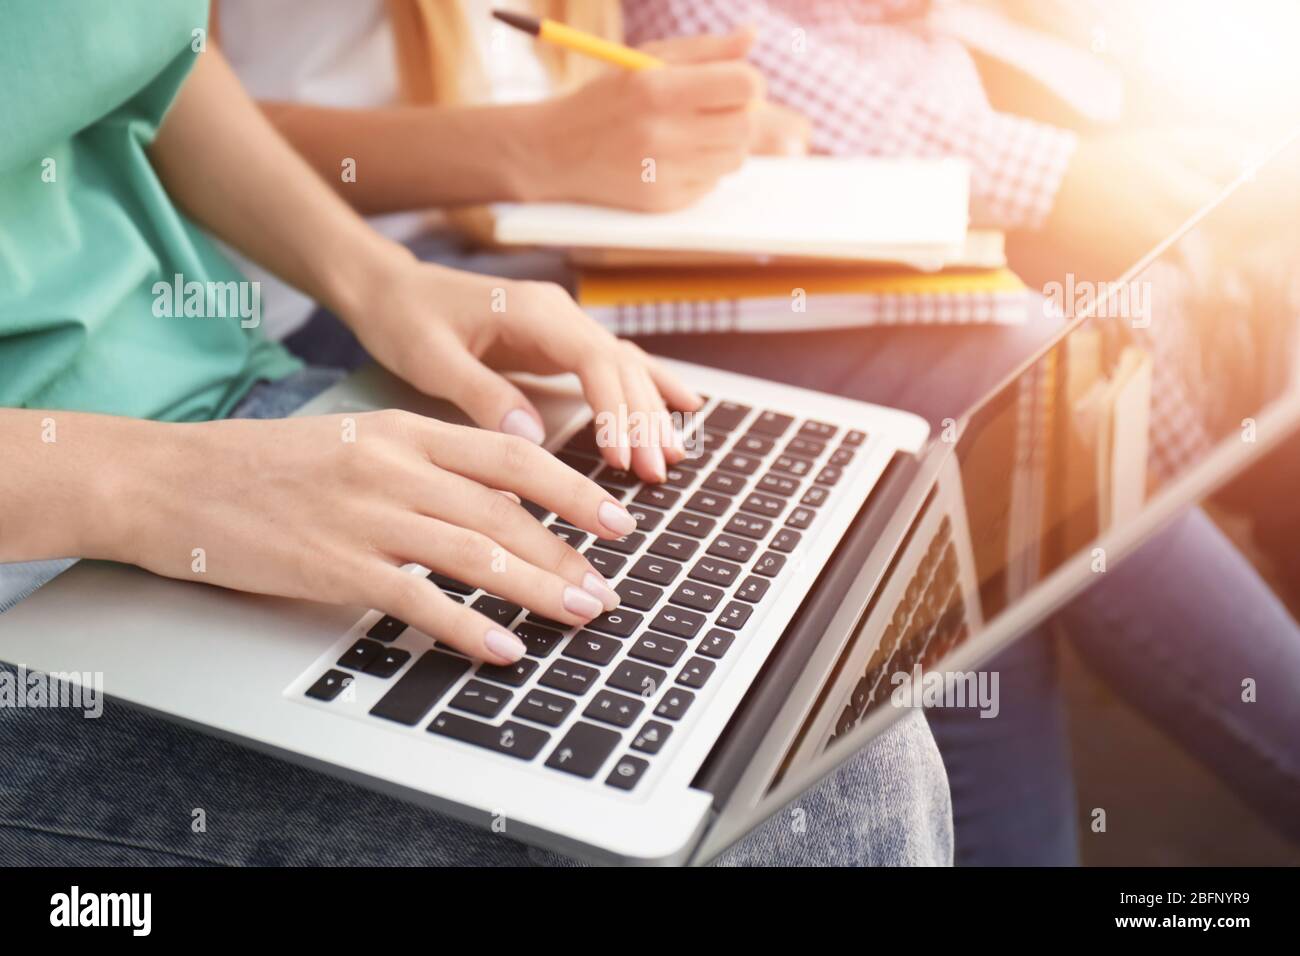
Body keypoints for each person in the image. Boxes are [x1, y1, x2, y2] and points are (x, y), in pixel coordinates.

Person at [214, 0, 1300, 861]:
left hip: (554, 239)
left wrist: (685, 150)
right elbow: (172, 108)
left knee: (966, 480)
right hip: (360, 286)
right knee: (1001, 370)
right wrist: (526, 149)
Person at [0, 0, 952, 867]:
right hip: (52, 524)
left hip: (232, 397)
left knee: (824, 708)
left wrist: (378, 278)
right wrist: (154, 486)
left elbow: (137, 48)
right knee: (785, 796)